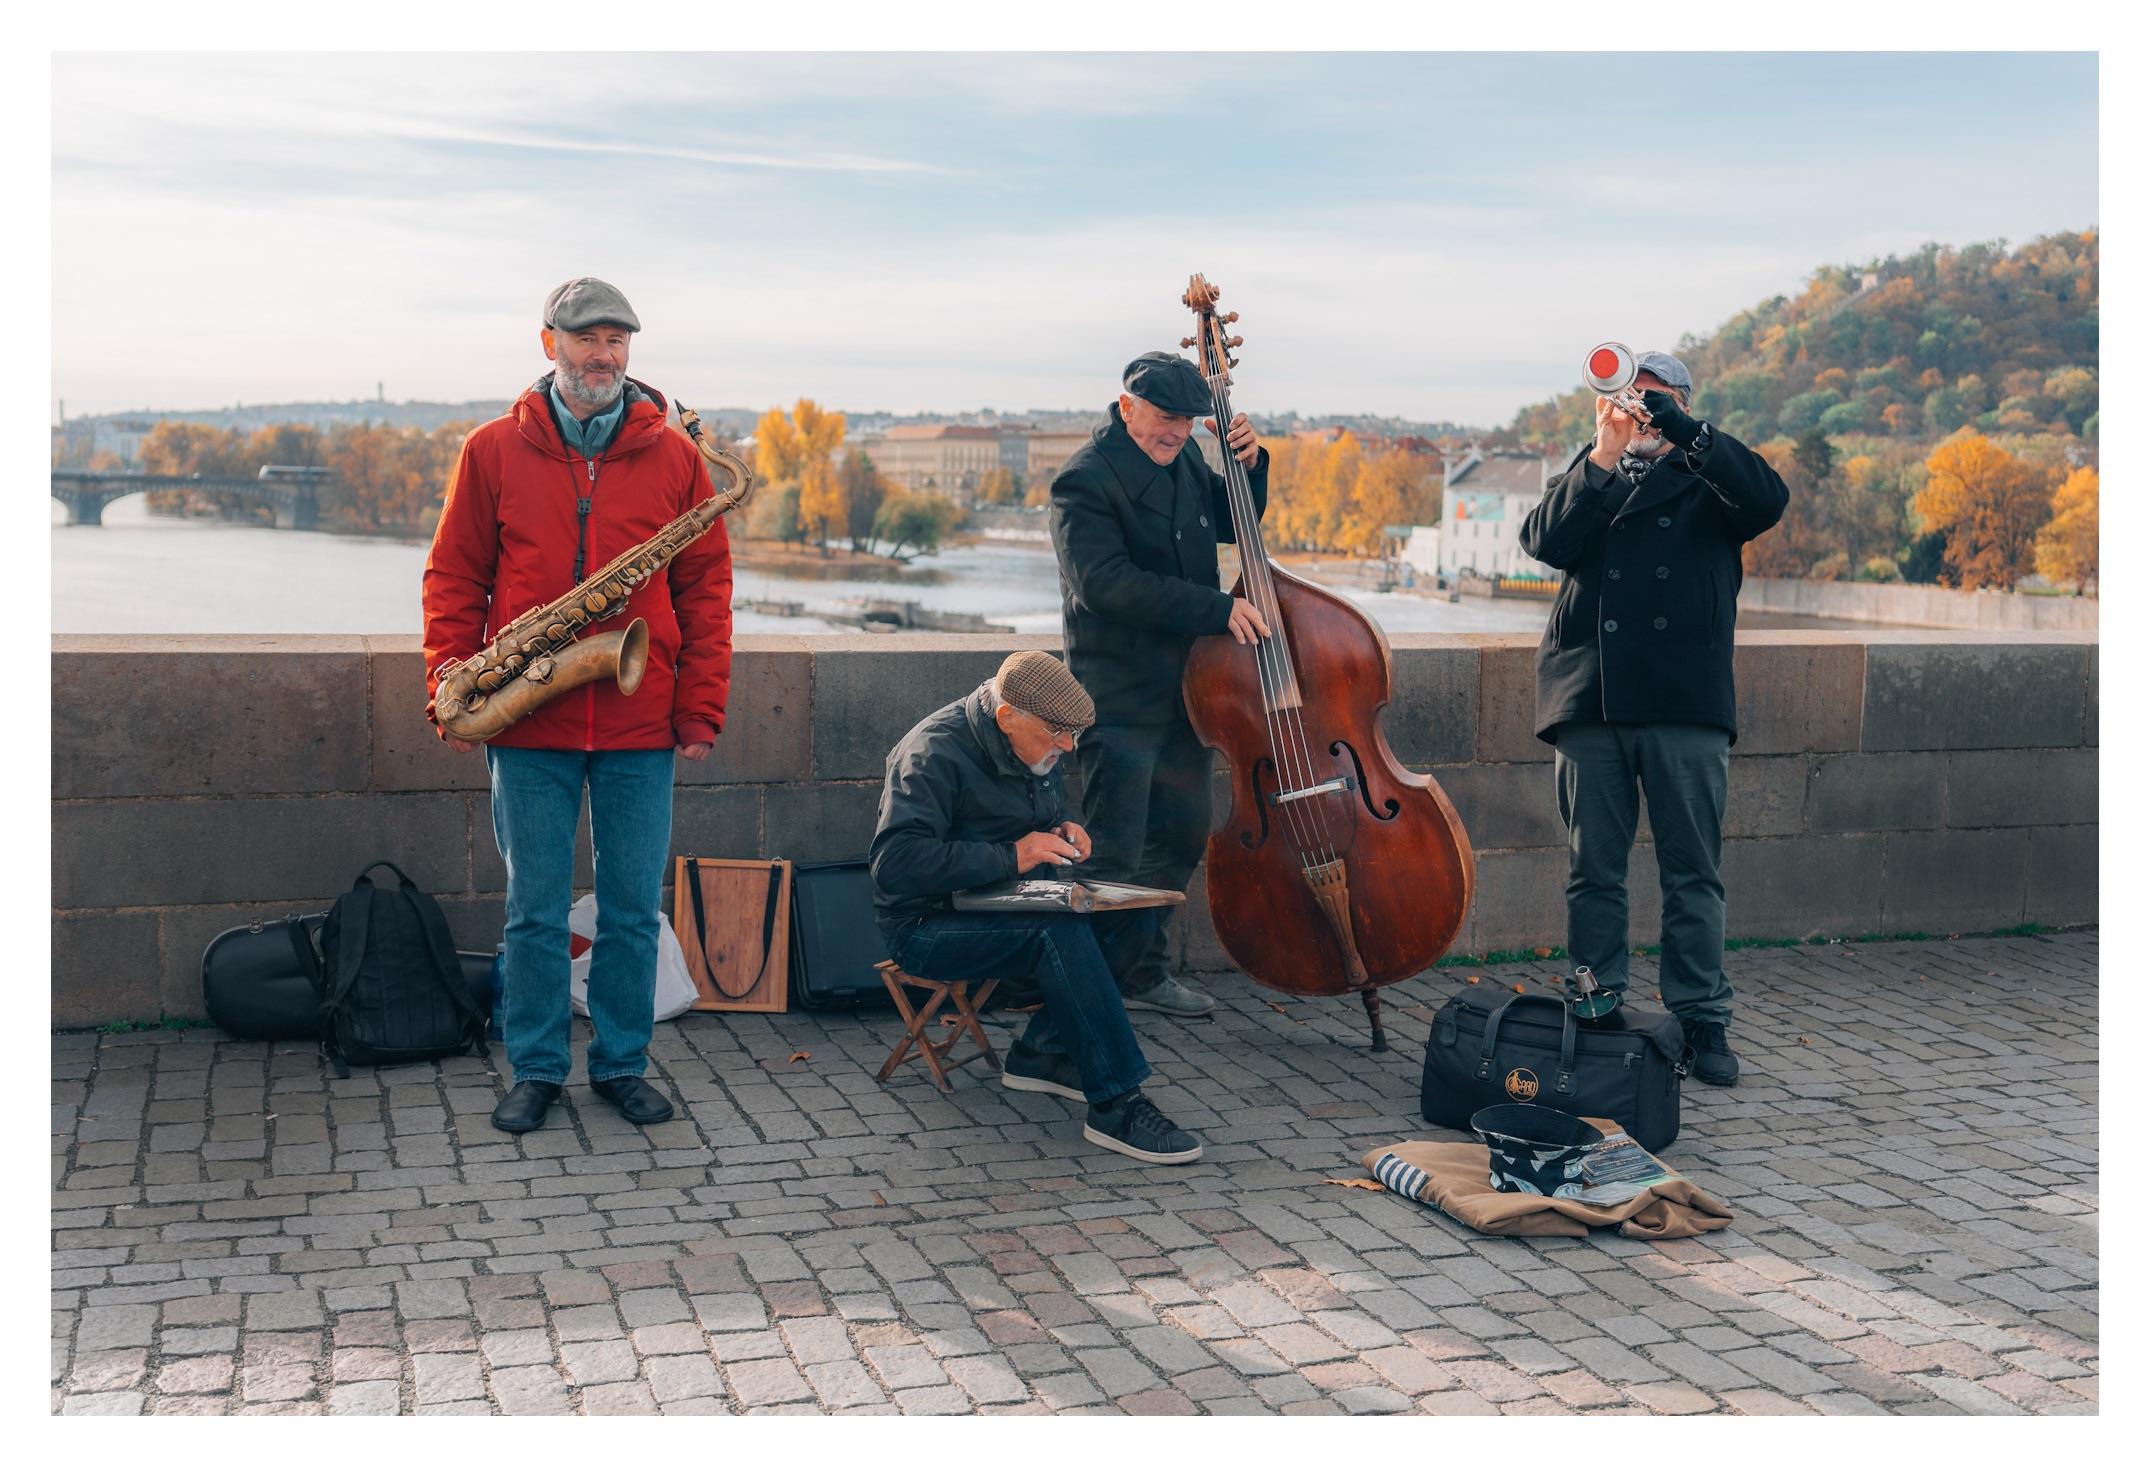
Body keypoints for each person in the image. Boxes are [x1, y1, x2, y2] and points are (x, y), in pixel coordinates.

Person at [422, 277, 734, 1133]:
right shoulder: (490, 450)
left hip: (641, 718)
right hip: (529, 718)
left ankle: (623, 1063)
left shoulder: (678, 458)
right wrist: (453, 681)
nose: (604, 354)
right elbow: (454, 576)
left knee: (634, 908)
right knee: (533, 910)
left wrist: (700, 706)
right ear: (548, 341)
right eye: (587, 338)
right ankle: (536, 1067)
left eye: (617, 340)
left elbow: (706, 589)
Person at [1517, 349, 1789, 1086]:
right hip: (1591, 696)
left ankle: (1702, 1017)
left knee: (1693, 872)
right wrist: (1604, 451)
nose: (1645, 409)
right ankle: (1595, 1005)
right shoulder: (1591, 471)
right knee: (1593, 870)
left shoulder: (1713, 477)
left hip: (1685, 700)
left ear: (1686, 403)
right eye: (1635, 397)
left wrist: (1689, 433)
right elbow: (1544, 541)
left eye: (1659, 399)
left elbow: (1768, 499)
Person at [870, 651, 1204, 1164]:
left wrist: (1062, 825)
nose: (1068, 749)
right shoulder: (932, 753)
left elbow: (1040, 806)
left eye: (1072, 736)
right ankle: (1117, 1106)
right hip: (927, 923)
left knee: (1135, 914)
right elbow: (895, 866)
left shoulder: (1028, 740)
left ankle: (1040, 1055)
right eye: (1058, 736)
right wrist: (1013, 855)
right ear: (1007, 718)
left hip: (999, 905)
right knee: (1056, 935)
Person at [1048, 352, 1271, 1021]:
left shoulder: (1182, 465)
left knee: (1180, 832)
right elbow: (1104, 585)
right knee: (1113, 847)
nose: (1177, 432)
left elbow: (1237, 526)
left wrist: (1251, 468)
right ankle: (1084, 987)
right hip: (1117, 692)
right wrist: (1214, 610)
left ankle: (1140, 975)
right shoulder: (1083, 481)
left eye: (1188, 421)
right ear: (1126, 408)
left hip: (1189, 694)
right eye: (1166, 418)